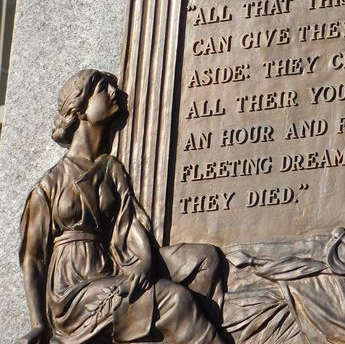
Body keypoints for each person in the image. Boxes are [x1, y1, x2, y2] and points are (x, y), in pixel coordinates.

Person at [17, 69, 226, 344]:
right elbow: (32, 258)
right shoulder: (50, 184)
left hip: (111, 266)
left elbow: (129, 224)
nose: (115, 92)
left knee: (206, 259)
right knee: (174, 299)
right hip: (73, 290)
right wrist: (37, 325)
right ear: (80, 108)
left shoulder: (111, 168)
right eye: (103, 88)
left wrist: (145, 264)